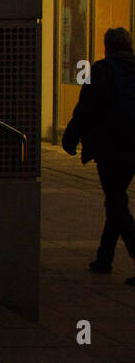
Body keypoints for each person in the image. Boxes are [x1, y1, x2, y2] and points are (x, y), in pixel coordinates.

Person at [62, 27, 135, 284]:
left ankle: (115, 257)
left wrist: (70, 138)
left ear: (108, 47)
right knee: (115, 200)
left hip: (110, 148)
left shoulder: (103, 70)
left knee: (116, 202)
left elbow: (86, 108)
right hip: (131, 148)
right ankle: (104, 258)